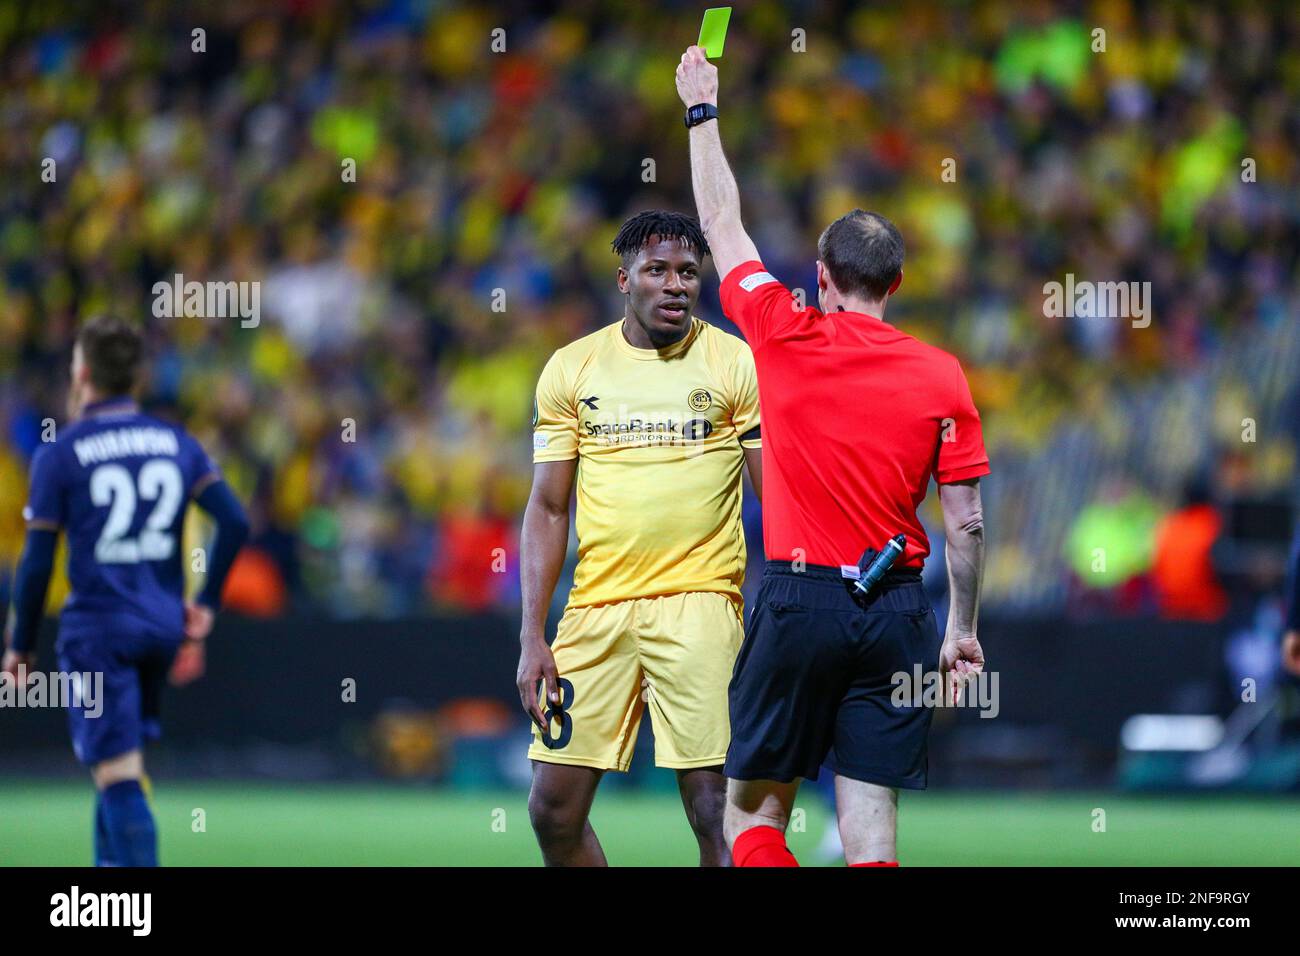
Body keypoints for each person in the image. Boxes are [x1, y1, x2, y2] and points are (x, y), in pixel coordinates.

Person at [675, 45, 989, 866]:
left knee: (751, 819)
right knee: (870, 827)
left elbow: (721, 226)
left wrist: (702, 110)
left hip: (796, 601)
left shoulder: (783, 330)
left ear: (821, 277)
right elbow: (967, 525)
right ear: (897, 282)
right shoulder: (942, 374)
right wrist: (961, 630)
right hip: (896, 613)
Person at [516, 210, 762, 866]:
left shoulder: (735, 362)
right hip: (596, 609)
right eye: (658, 270)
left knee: (715, 809)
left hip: (701, 601)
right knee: (552, 810)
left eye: (688, 272)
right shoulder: (573, 368)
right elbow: (546, 508)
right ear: (625, 279)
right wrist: (532, 635)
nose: (676, 285)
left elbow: (778, 492)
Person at [1, 317, 249, 866]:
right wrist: (204, 607)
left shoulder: (61, 454)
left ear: (83, 374)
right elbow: (234, 523)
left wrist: (20, 645)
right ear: (135, 377)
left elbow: (38, 560)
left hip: (98, 632)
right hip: (161, 625)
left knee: (116, 777)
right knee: (121, 767)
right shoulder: (176, 443)